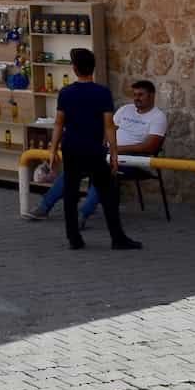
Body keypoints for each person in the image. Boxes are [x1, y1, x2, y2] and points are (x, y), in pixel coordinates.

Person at [25, 79, 167, 223]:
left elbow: (150, 147)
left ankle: (83, 214)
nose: (136, 98)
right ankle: (43, 207)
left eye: (141, 95)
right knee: (74, 168)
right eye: (135, 94)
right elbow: (108, 131)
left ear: (152, 96)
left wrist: (117, 149)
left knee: (101, 172)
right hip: (107, 153)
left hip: (132, 160)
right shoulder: (126, 109)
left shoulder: (158, 117)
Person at [49, 48, 141, 251]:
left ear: (74, 69)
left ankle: (74, 238)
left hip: (71, 148)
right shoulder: (102, 93)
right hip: (93, 150)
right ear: (93, 69)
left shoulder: (66, 93)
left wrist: (53, 149)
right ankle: (117, 237)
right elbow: (109, 126)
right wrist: (114, 154)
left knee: (70, 193)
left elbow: (58, 124)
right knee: (107, 193)